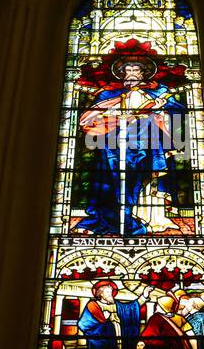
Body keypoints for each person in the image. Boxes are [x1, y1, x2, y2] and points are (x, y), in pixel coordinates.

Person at [77, 58, 184, 235]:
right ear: (122, 74)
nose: (132, 74)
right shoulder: (109, 93)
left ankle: (142, 217)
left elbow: (178, 109)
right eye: (128, 71)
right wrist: (115, 115)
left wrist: (161, 107)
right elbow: (91, 117)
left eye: (136, 70)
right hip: (113, 144)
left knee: (138, 178)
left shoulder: (157, 91)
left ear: (143, 74)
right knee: (112, 180)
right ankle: (115, 219)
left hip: (146, 144)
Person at [75, 280, 121, 349]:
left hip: (111, 343)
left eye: (111, 292)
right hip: (98, 344)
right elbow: (83, 324)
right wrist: (102, 321)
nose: (111, 294)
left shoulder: (115, 306)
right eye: (108, 292)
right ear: (100, 293)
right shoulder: (92, 306)